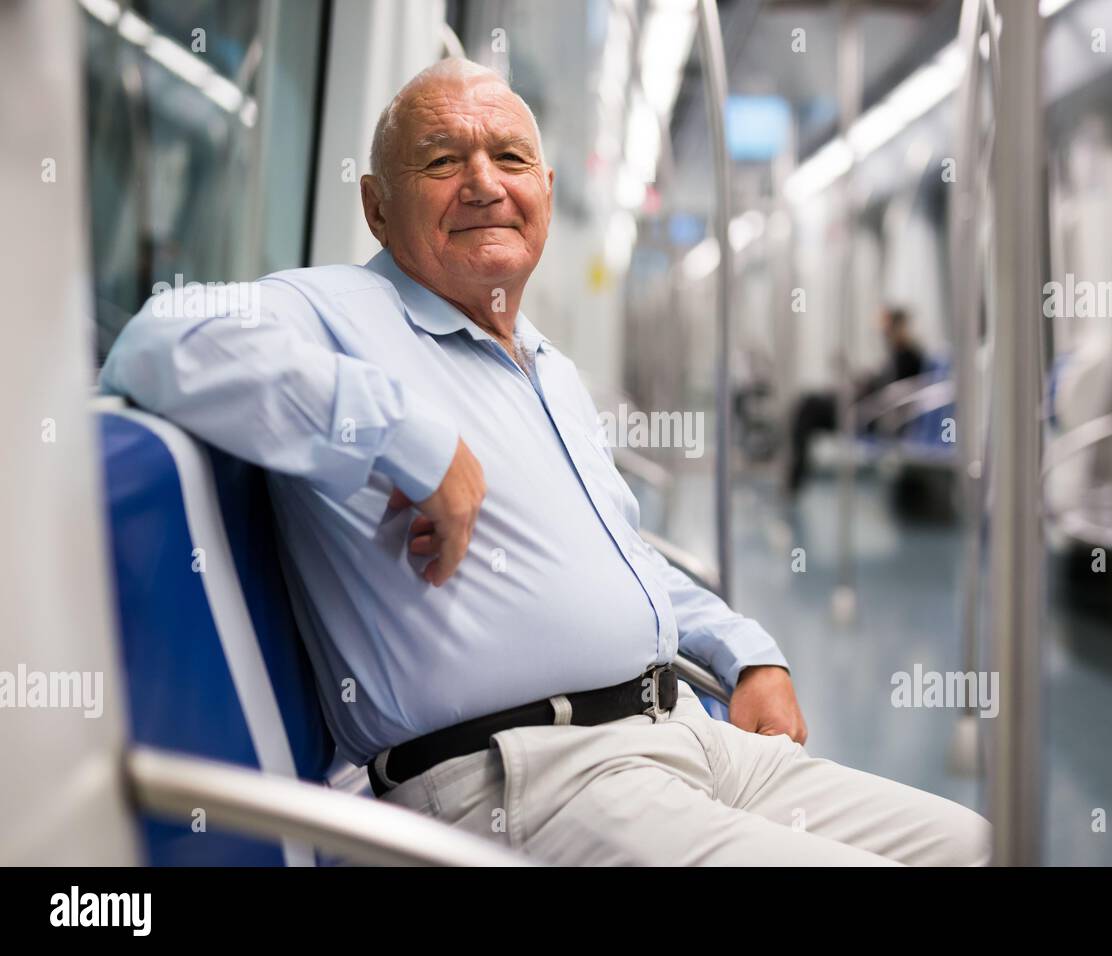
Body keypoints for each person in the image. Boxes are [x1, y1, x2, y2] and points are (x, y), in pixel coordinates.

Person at [101, 58, 987, 865]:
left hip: (687, 732)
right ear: (377, 205)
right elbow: (164, 340)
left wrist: (747, 652)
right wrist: (409, 439)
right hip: (523, 781)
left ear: (548, 192)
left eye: (511, 159)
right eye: (442, 161)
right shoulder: (334, 308)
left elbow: (624, 560)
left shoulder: (546, 366)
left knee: (972, 843)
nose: (484, 182)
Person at [785, 306, 926, 495]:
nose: (883, 333)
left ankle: (797, 473)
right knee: (808, 402)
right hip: (867, 407)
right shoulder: (896, 354)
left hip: (873, 416)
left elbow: (894, 392)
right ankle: (798, 470)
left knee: (809, 406)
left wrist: (867, 387)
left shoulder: (908, 356)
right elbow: (880, 384)